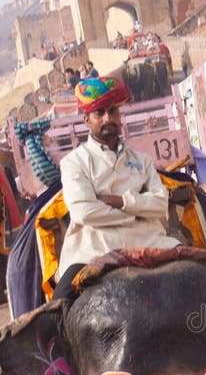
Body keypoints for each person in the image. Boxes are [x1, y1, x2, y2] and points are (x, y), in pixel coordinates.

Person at [53, 76, 180, 301]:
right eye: (99, 113)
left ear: (120, 117)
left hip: (149, 241)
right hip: (93, 248)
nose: (107, 118)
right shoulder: (74, 163)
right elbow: (85, 212)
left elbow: (160, 205)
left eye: (113, 112)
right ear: (86, 120)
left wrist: (120, 201)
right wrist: (137, 214)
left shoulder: (142, 160)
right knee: (60, 306)